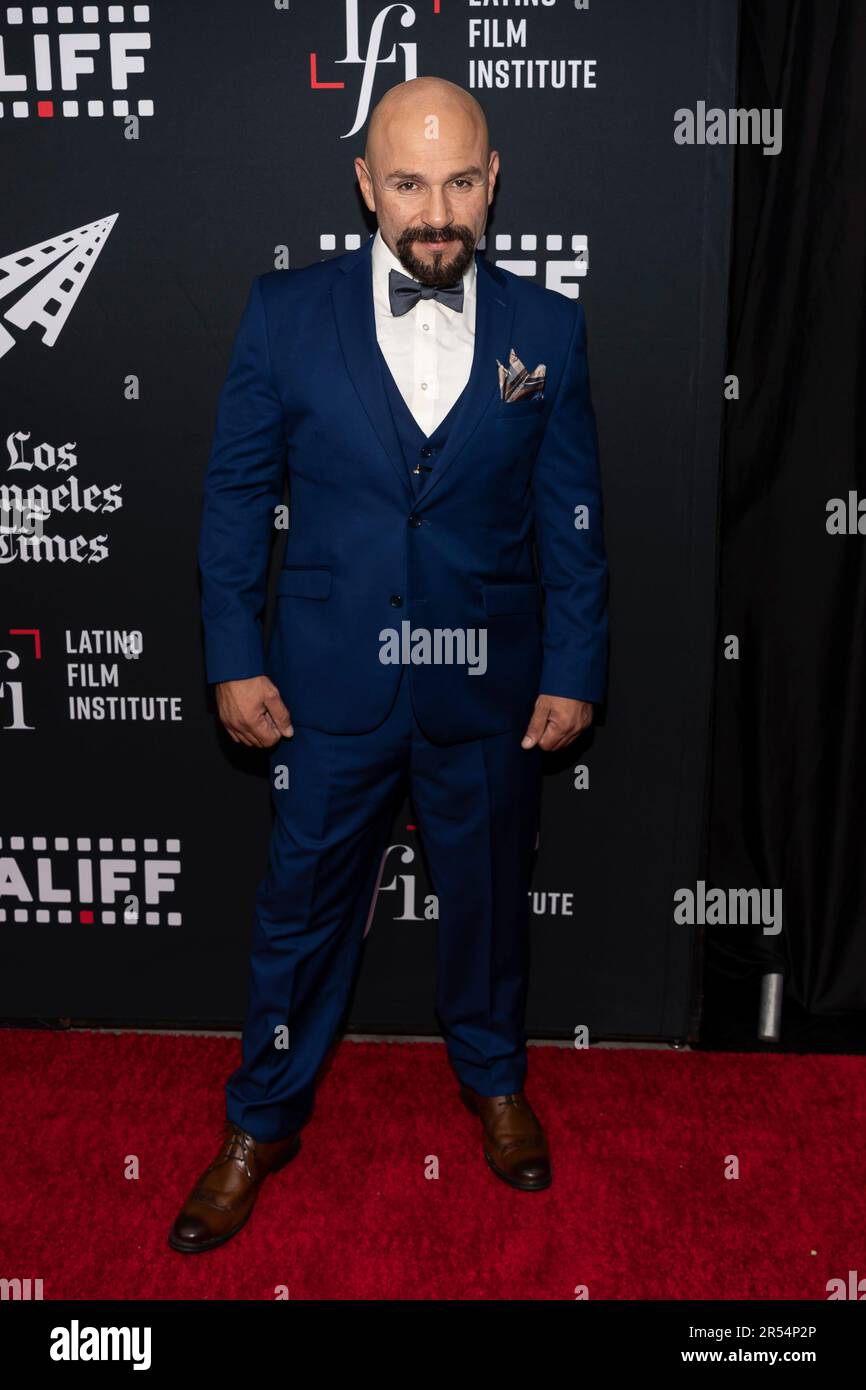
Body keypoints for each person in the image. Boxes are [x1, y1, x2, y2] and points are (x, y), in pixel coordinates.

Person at [169, 75, 608, 1254]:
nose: (436, 211)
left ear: (493, 178)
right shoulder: (282, 313)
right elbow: (232, 502)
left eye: (459, 181)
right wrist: (231, 653)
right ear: (364, 185)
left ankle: (496, 1080)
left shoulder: (545, 329)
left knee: (486, 907)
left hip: (486, 682)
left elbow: (571, 515)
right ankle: (258, 1119)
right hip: (324, 683)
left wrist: (572, 663)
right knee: (299, 915)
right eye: (408, 182)